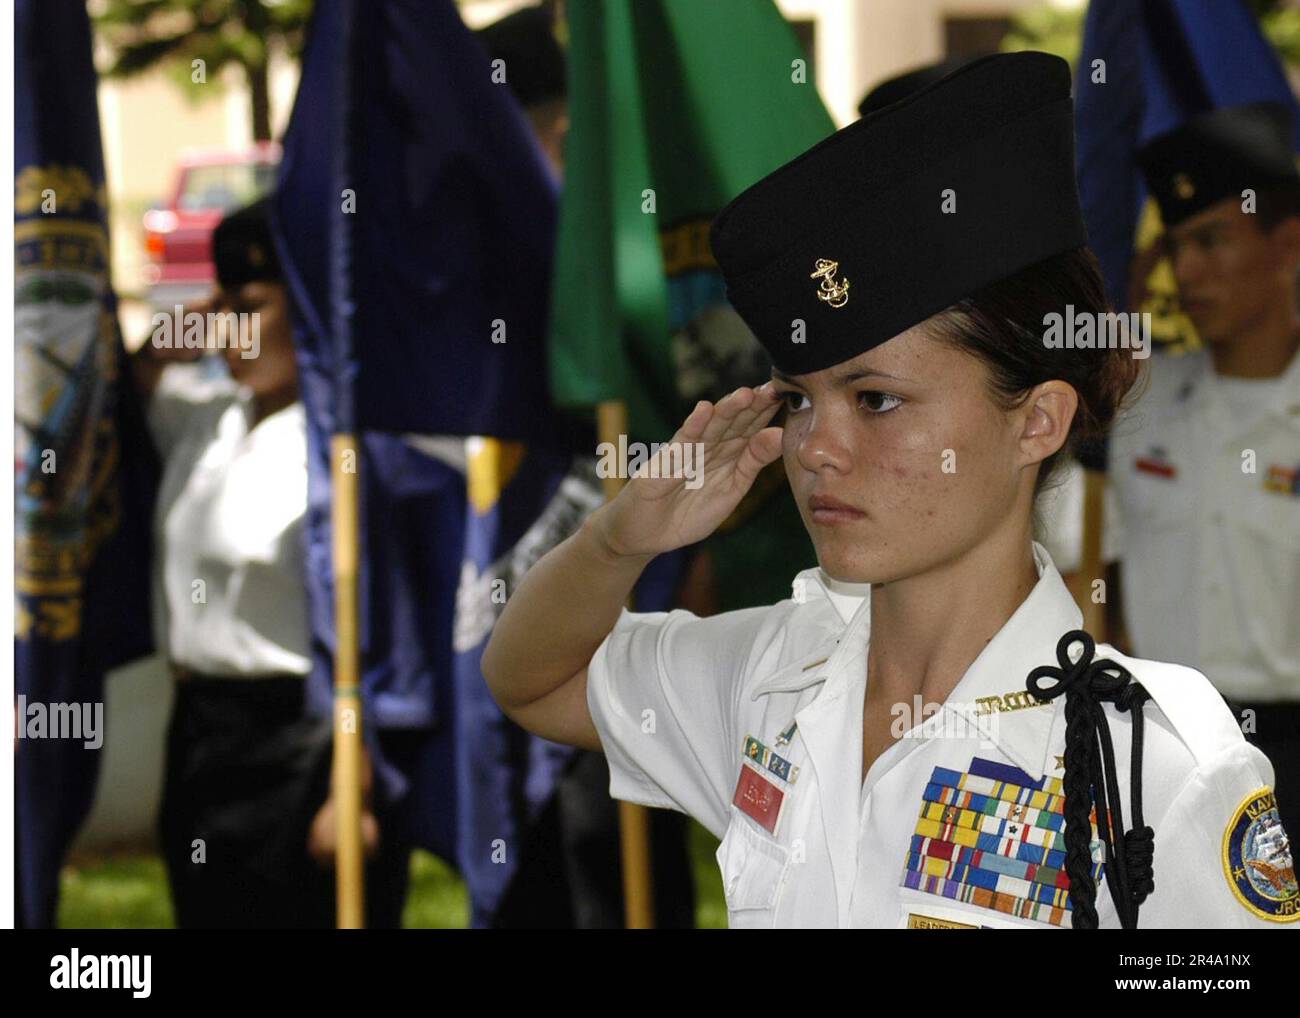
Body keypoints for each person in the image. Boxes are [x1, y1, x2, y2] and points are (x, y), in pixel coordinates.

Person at [482, 52, 1299, 928]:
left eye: (877, 400)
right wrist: (619, 542)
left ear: (1037, 422)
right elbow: (531, 682)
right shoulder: (775, 681)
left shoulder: (1153, 766)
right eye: (797, 399)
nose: (817, 448)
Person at [132, 199, 410, 928]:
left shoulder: (347, 448)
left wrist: (354, 790)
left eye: (251, 306)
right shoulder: (208, 419)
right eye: (219, 307)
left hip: (306, 739)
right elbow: (135, 379)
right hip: (200, 735)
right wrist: (187, 326)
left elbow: (386, 632)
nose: (230, 330)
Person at [1098, 102, 1300, 833]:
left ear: (1287, 250)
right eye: (1175, 249)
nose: (1187, 273)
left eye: (1212, 242)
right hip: (1161, 751)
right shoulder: (1141, 404)